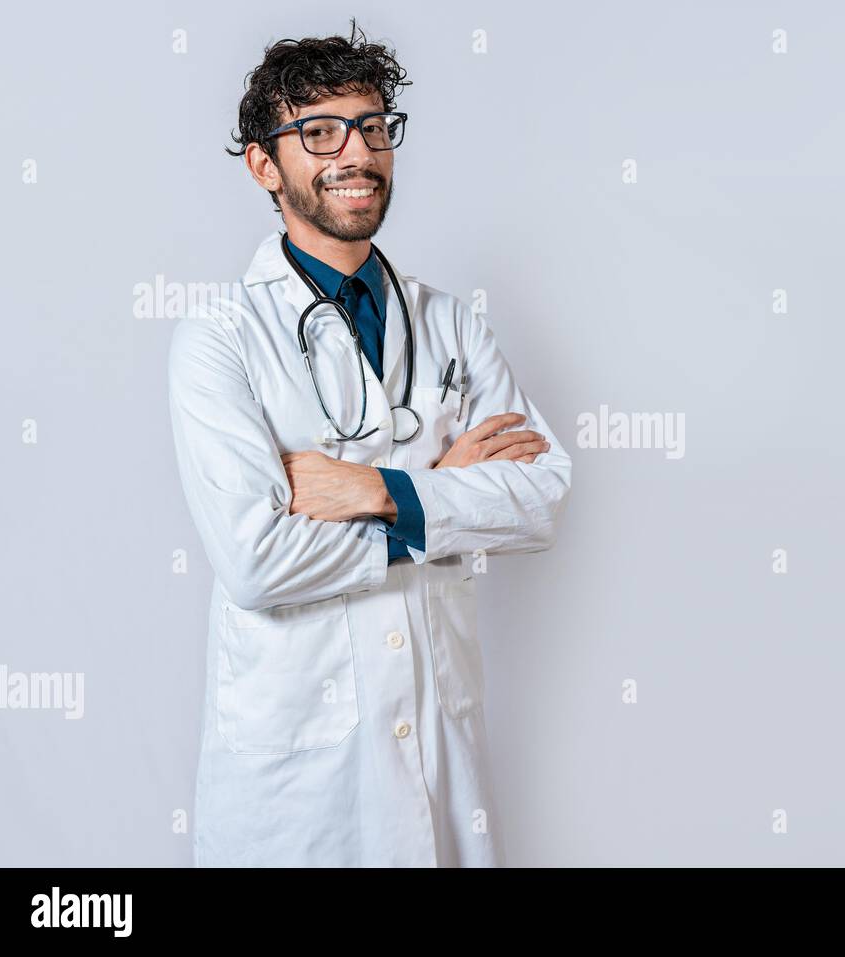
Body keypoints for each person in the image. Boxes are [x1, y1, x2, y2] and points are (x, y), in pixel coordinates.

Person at [166, 21, 572, 866]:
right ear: (264, 164)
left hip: (437, 750)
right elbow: (256, 561)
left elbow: (541, 500)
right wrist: (441, 500)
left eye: (374, 127)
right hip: (295, 783)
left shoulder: (450, 323)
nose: (357, 152)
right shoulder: (220, 336)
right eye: (319, 132)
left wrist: (380, 488)